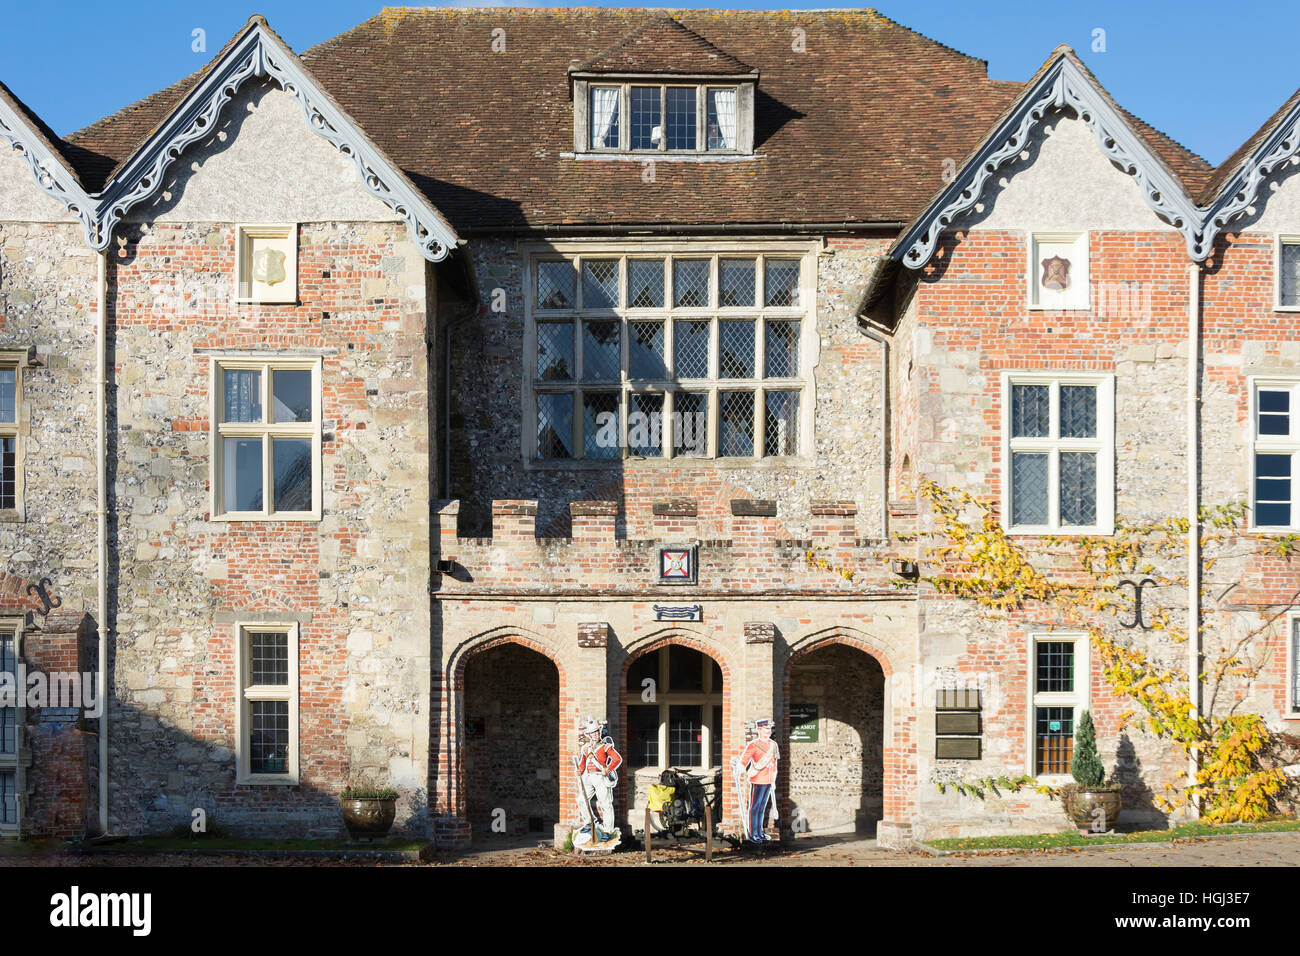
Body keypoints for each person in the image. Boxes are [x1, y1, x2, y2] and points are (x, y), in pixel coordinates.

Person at [573, 718, 622, 847]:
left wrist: (608, 768)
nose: (595, 734)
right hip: (588, 778)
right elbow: (583, 764)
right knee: (581, 800)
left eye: (596, 731)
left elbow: (617, 759)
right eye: (592, 732)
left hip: (600, 777)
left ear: (599, 732)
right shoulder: (585, 748)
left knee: (605, 804)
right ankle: (589, 822)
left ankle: (607, 831)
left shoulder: (605, 746)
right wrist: (579, 770)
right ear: (589, 735)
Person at [735, 717, 779, 844]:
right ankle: (753, 833)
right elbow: (744, 760)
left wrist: (774, 781)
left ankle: (759, 831)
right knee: (755, 807)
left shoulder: (773, 745)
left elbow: (775, 764)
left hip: (769, 779)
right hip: (758, 779)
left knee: (762, 807)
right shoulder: (753, 745)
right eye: (766, 729)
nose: (768, 731)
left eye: (769, 729)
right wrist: (738, 770)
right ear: (759, 730)